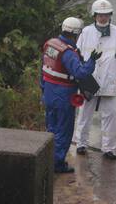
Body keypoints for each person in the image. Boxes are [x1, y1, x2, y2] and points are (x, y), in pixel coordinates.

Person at [41, 16, 100, 174]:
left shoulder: (50, 44)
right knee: (64, 130)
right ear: (76, 34)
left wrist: (43, 90)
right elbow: (80, 72)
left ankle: (47, 160)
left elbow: (44, 69)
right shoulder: (68, 53)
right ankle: (58, 164)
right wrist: (91, 61)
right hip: (63, 95)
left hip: (48, 92)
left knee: (51, 128)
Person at [73, 0, 116, 159]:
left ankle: (109, 148)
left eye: (105, 15)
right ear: (94, 15)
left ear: (110, 15)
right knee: (84, 113)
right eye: (100, 15)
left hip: (109, 80)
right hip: (89, 79)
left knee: (110, 116)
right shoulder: (86, 32)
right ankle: (81, 143)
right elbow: (77, 55)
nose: (103, 18)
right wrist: (78, 75)